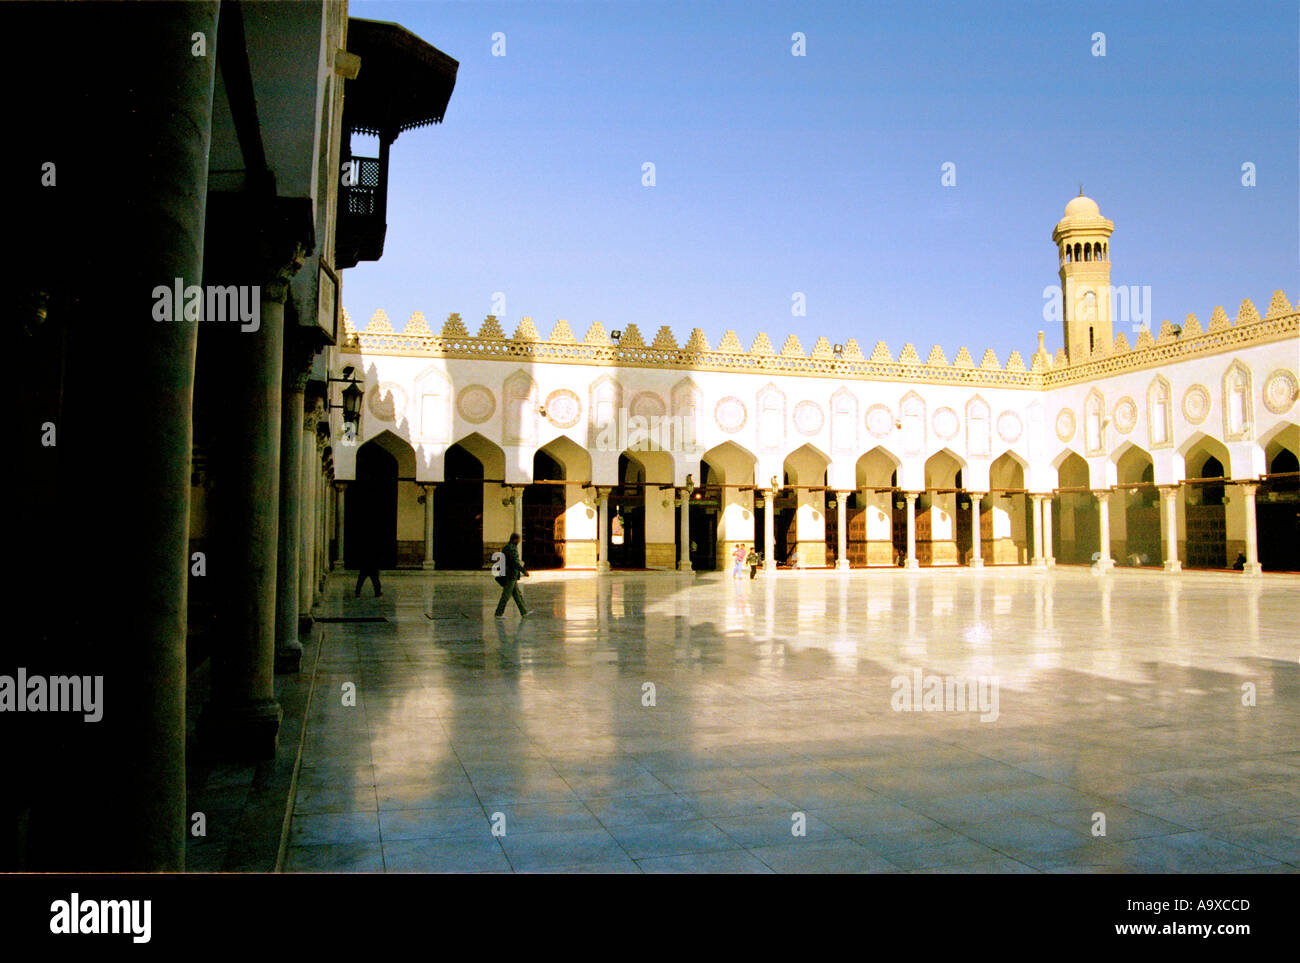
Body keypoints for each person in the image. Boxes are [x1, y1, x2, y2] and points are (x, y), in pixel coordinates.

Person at [495, 532, 530, 618]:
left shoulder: (507, 547)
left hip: (510, 574)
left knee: (517, 594)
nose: (519, 541)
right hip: (510, 575)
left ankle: (524, 612)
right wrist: (524, 571)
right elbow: (515, 562)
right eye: (519, 539)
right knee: (506, 595)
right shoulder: (511, 548)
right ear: (515, 539)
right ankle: (498, 613)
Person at [354, 527, 382, 598]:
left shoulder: (364, 545)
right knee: (375, 580)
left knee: (361, 580)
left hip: (365, 565)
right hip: (373, 565)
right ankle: (377, 592)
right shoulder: (375, 546)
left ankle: (357, 592)